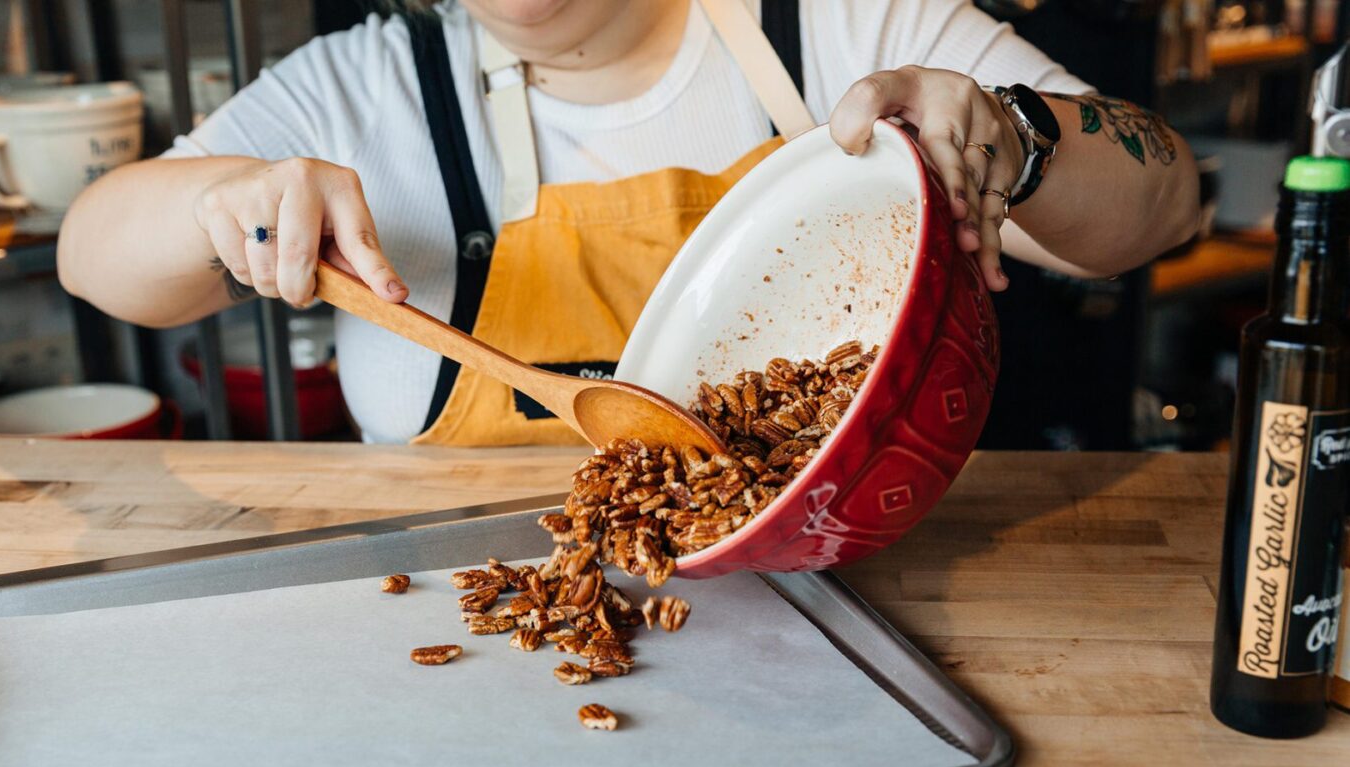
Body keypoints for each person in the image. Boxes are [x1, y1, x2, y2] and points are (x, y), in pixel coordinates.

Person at [58, 0, 1199, 445]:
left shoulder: (848, 29)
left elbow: (1165, 200)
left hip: (870, 622)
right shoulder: (361, 88)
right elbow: (94, 254)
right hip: (481, 638)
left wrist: (1015, 137)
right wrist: (226, 202)